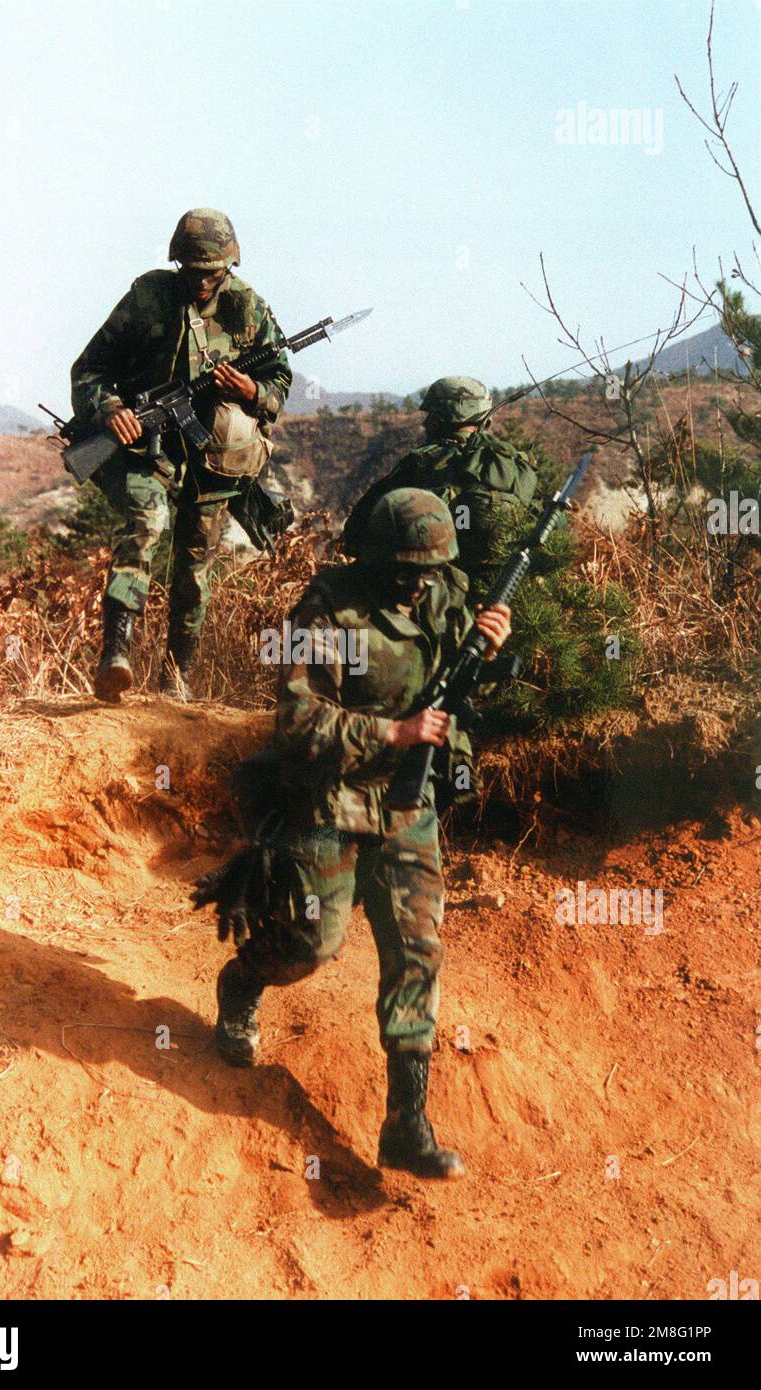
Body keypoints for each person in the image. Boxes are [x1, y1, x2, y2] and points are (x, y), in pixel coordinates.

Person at [212, 489, 512, 1179]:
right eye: (406, 567)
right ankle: (241, 982)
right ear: (375, 557)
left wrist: (492, 647)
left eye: (431, 568)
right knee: (311, 946)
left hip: (409, 808)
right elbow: (294, 721)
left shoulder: (441, 595)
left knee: (417, 954)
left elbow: (461, 679)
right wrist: (393, 733)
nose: (418, 581)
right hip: (331, 800)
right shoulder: (328, 609)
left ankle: (406, 1126)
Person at [71, 209, 292, 701]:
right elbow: (88, 369)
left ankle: (176, 678)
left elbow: (280, 381)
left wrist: (252, 389)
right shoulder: (147, 298)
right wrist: (110, 410)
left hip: (212, 457)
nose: (202, 282)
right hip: (145, 447)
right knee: (145, 524)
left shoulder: (248, 308)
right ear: (178, 264)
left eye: (212, 273)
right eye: (193, 272)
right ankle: (116, 653)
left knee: (195, 566)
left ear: (229, 266)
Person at [344, 376, 537, 603]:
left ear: (440, 418)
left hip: (435, 599)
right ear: (485, 418)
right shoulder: (515, 465)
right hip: (509, 599)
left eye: (431, 416)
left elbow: (356, 532)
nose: (426, 424)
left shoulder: (419, 464)